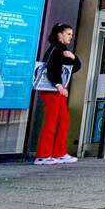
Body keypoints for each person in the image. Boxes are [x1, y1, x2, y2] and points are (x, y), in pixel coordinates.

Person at [34, 23, 80, 166]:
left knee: (63, 120)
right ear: (59, 34)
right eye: (68, 34)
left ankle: (59, 153)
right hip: (52, 91)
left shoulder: (63, 49)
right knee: (50, 122)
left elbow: (75, 67)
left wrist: (73, 57)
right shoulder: (55, 49)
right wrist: (59, 85)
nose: (70, 37)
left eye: (71, 35)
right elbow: (52, 69)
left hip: (57, 91)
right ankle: (42, 155)